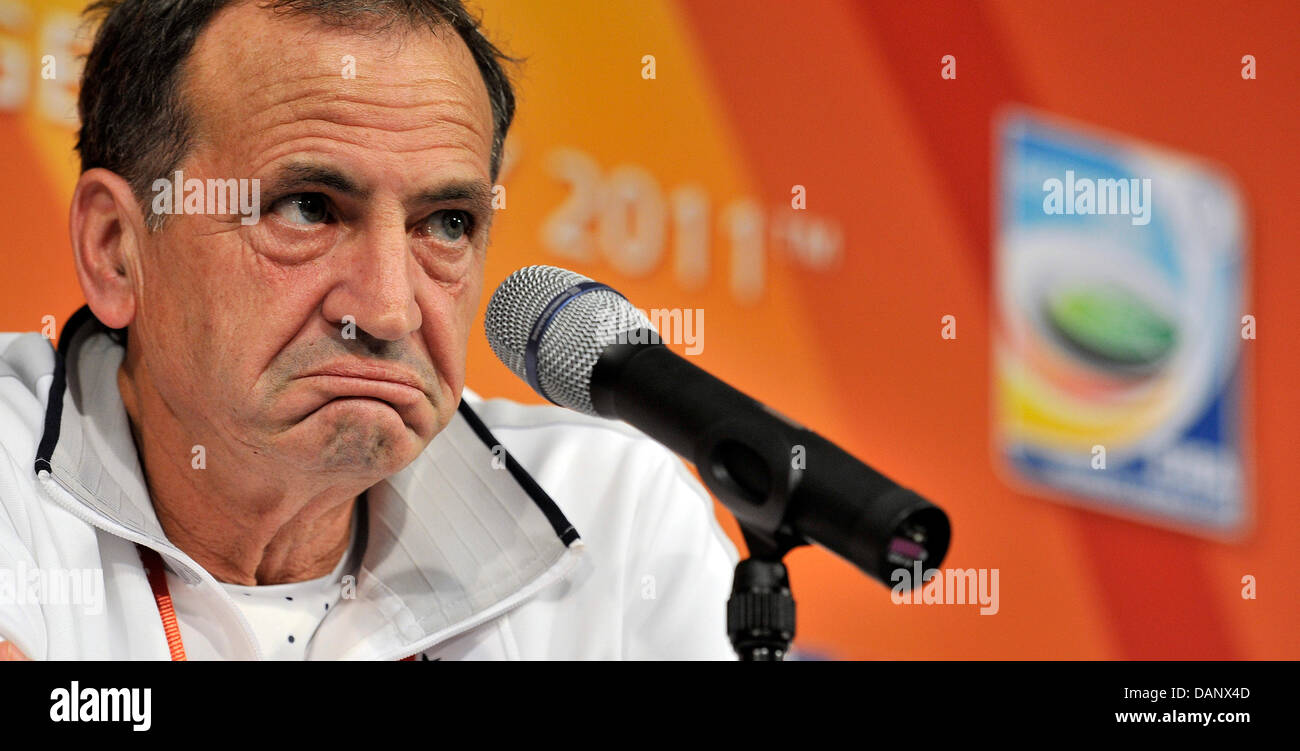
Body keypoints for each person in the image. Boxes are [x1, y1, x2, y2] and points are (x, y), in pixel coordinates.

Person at [0, 0, 737, 660]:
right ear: (116, 251)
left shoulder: (615, 513)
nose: (389, 311)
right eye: (309, 208)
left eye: (446, 225)